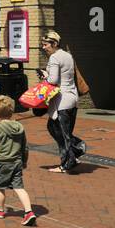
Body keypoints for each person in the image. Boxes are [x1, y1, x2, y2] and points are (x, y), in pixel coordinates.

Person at [0, 94, 36, 225]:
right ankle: (29, 211)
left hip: (2, 162)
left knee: (0, 187)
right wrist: (24, 161)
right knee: (19, 187)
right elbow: (25, 147)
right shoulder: (19, 128)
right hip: (17, 162)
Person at [40, 30, 84, 173]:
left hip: (62, 100)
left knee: (61, 132)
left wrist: (45, 75)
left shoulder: (54, 58)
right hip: (72, 98)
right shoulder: (68, 56)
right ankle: (73, 154)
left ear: (54, 44)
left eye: (46, 44)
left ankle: (70, 159)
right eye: (43, 44)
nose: (43, 47)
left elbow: (53, 80)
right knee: (59, 130)